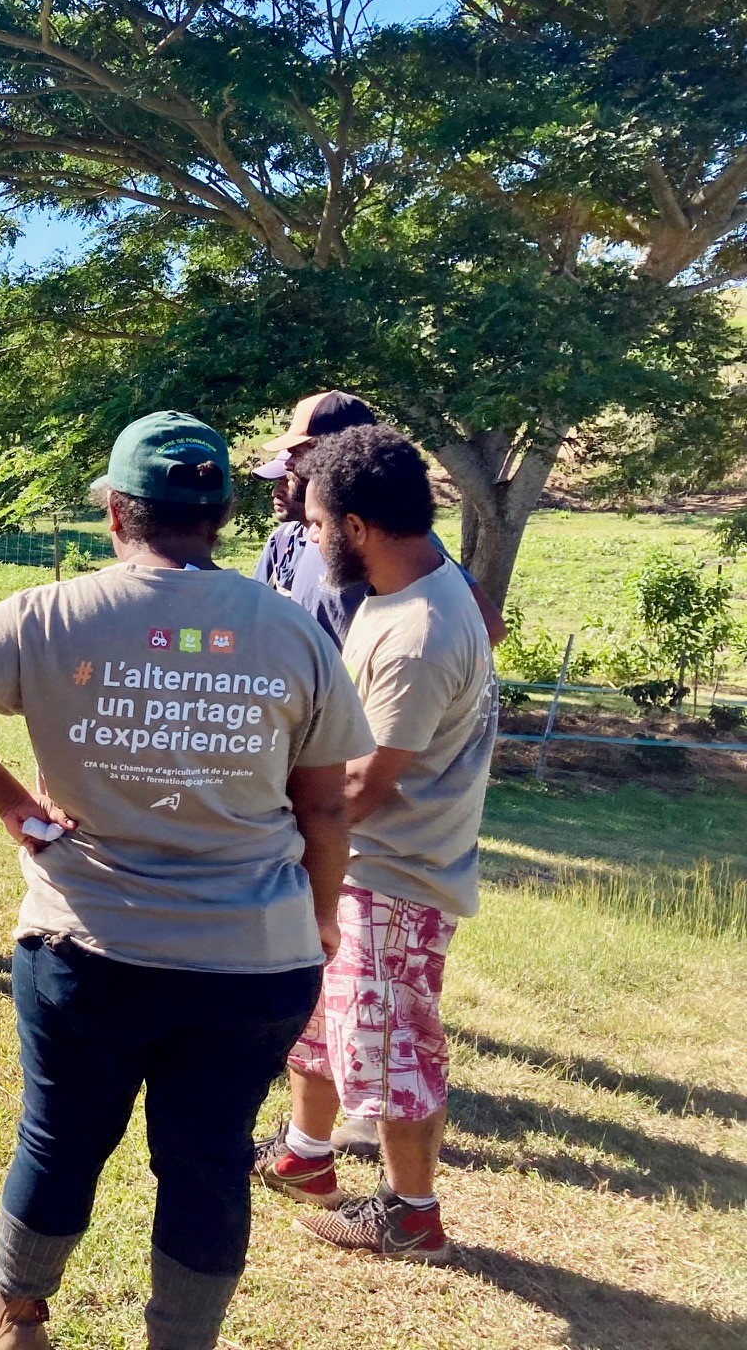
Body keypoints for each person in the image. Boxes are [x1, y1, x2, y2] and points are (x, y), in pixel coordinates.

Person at [0, 411, 374, 1350]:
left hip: (88, 947)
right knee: (206, 1161)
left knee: (60, 1136)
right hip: (255, 960)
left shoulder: (50, 613)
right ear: (222, 515)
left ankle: (15, 1310)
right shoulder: (293, 632)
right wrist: (321, 922)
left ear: (119, 511)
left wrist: (14, 806)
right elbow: (325, 811)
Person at [253, 426, 498, 1265]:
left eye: (319, 525)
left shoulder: (420, 632)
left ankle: (410, 1213)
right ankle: (305, 1157)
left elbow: (361, 787)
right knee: (323, 1021)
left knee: (397, 1045)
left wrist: (271, 836)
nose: (312, 543)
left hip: (395, 878)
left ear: (355, 527)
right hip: (361, 871)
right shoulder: (406, 595)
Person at [251, 391, 504, 650]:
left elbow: (487, 627)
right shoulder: (305, 532)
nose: (288, 462)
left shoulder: (389, 534)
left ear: (338, 452)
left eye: (298, 450)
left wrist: (391, 671)